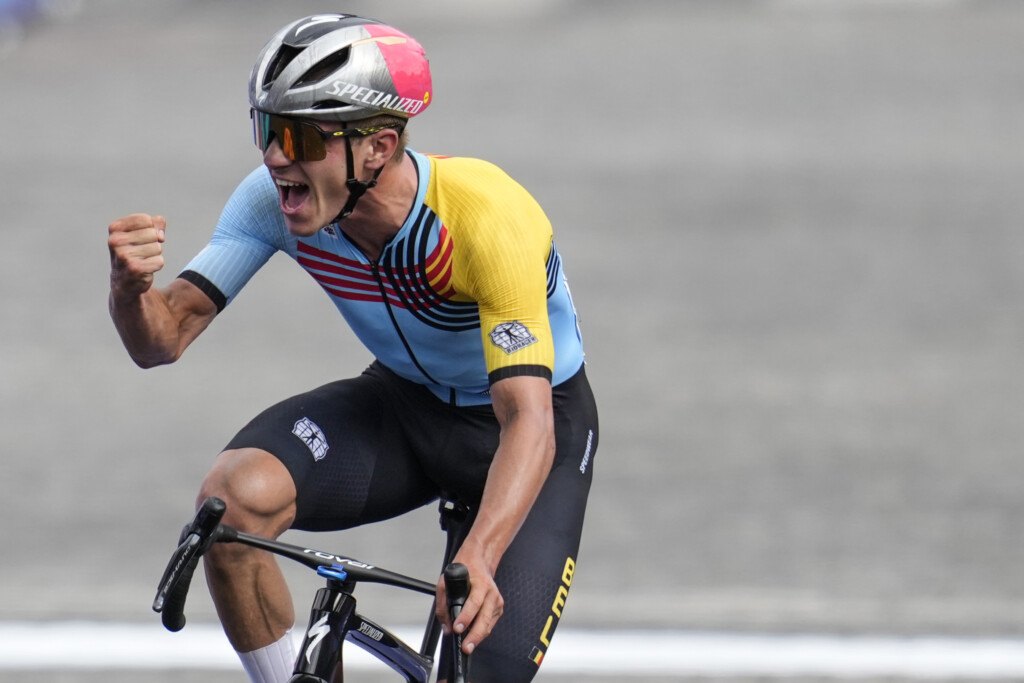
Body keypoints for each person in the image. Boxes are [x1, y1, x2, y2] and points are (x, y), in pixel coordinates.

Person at [107, 13, 598, 683]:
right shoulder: (272, 203)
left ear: (378, 147)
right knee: (233, 500)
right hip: (404, 404)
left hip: (529, 428)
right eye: (266, 129)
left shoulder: (486, 216)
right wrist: (129, 291)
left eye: (301, 135)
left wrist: (480, 554)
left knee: (476, 664)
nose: (276, 156)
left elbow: (527, 420)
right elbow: (162, 339)